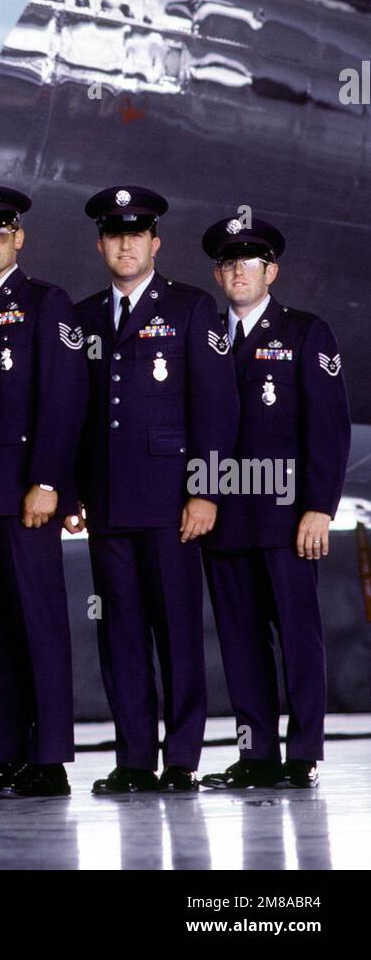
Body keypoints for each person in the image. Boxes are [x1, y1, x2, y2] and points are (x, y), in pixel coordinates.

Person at [75, 185, 239, 793]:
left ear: (155, 243)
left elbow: (217, 407)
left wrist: (206, 492)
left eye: (136, 235)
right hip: (108, 502)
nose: (126, 246)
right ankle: (135, 761)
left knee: (177, 633)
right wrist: (72, 491)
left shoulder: (191, 308)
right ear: (101, 245)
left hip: (173, 503)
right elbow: (73, 413)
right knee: (120, 636)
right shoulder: (84, 318)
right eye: (115, 236)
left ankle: (182, 760)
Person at [200, 216, 350, 789]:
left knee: (298, 636)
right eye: (228, 263)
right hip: (225, 516)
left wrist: (320, 507)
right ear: (218, 274)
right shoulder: (204, 336)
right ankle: (256, 753)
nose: (238, 271)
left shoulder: (305, 333)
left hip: (288, 517)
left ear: (272, 272)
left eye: (250, 262)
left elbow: (328, 429)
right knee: (240, 642)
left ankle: (303, 753)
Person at [0, 184, 88, 799]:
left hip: (25, 493)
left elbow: (65, 398)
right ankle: (4, 753)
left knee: (38, 624)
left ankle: (49, 757)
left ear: (18, 239)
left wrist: (50, 482)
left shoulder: (45, 303)